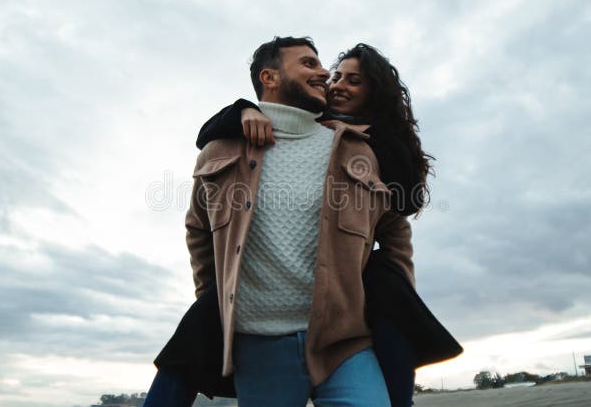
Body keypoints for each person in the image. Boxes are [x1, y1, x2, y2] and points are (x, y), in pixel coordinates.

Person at [144, 39, 462, 407]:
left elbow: (395, 226)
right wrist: (217, 304)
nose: (327, 75)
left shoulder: (359, 148)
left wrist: (396, 304)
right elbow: (198, 230)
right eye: (311, 64)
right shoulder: (222, 148)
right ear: (270, 77)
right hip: (259, 344)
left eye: (349, 79)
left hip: (345, 342)